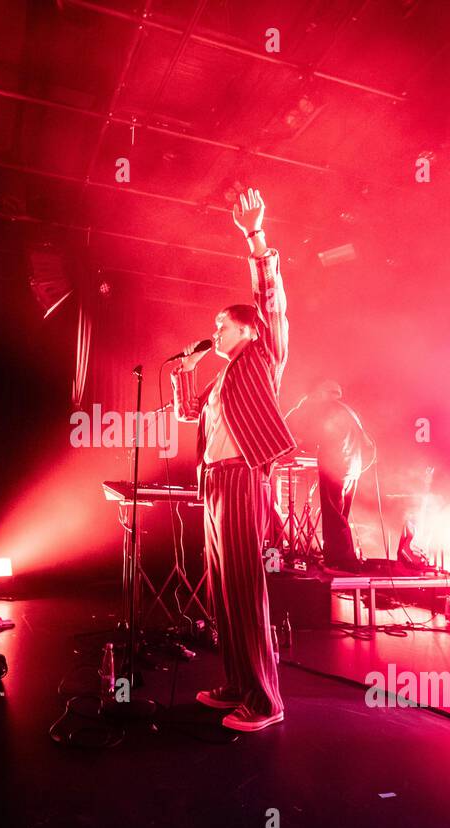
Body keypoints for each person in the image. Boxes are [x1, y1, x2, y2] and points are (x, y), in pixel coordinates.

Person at [172, 188, 294, 733]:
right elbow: (186, 413)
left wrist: (254, 235)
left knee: (245, 585)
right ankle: (236, 685)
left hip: (244, 480)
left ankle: (266, 701)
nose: (214, 330)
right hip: (215, 483)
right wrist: (183, 372)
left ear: (247, 329)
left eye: (222, 324)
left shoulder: (262, 355)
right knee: (222, 585)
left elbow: (271, 300)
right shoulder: (223, 376)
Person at [284, 380, 374, 573]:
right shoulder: (349, 412)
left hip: (336, 468)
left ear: (324, 394)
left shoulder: (329, 411)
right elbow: (368, 443)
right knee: (341, 515)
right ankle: (336, 558)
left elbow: (315, 437)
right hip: (352, 468)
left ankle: (344, 561)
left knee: (334, 516)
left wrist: (301, 443)